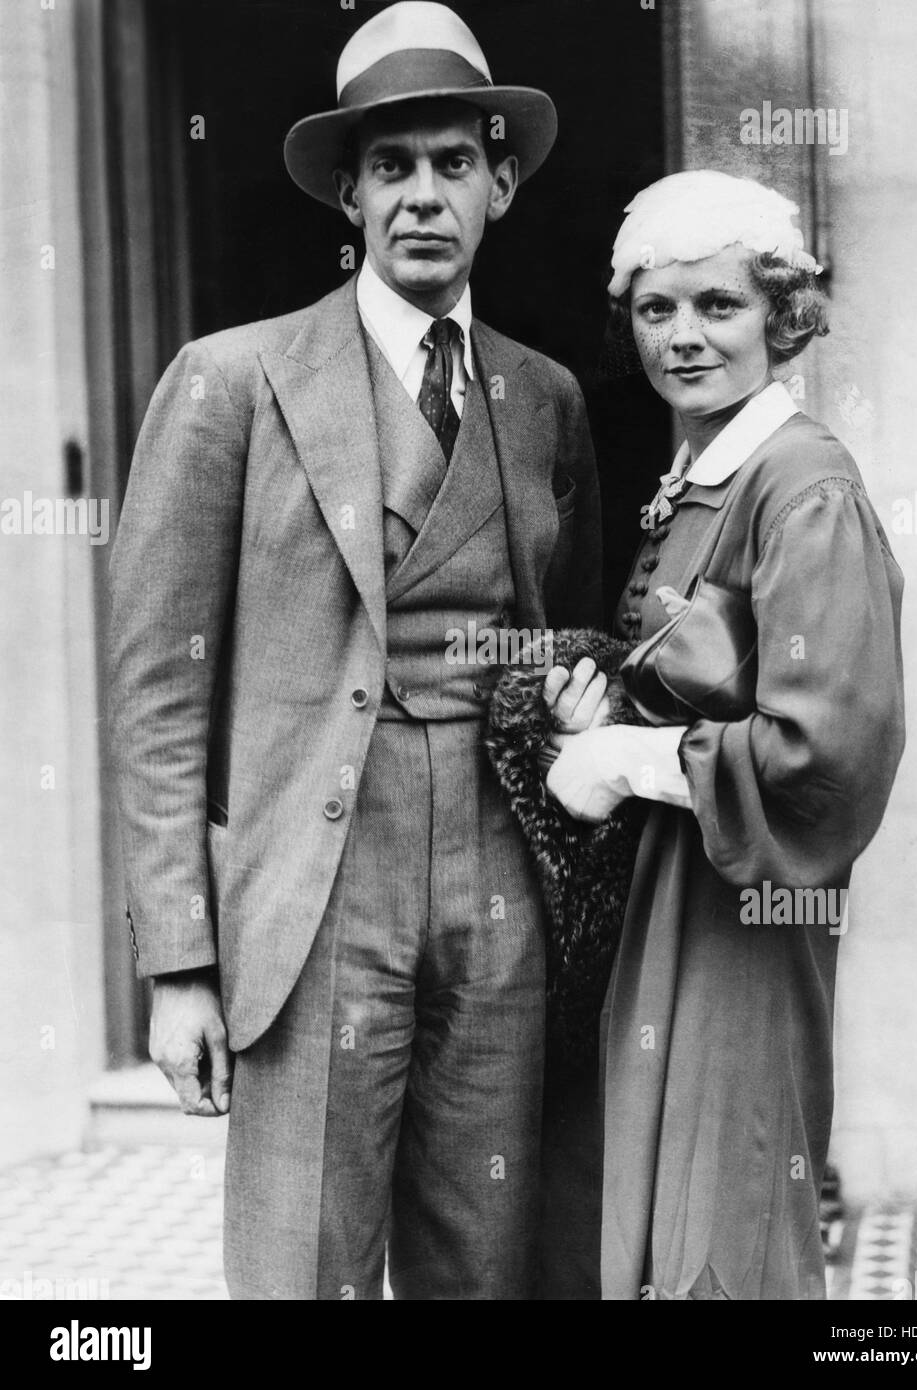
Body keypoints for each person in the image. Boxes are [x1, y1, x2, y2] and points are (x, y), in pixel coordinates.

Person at [108, 1, 601, 1300]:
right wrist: (178, 964)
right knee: (299, 1270)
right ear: (348, 190)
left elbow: (572, 638)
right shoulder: (232, 381)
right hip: (316, 887)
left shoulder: (542, 395)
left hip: (498, 890)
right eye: (391, 168)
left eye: (452, 164)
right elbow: (159, 690)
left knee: (482, 1266)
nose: (422, 198)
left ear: (500, 183)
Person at [542, 170, 905, 1299]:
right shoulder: (700, 477)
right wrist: (596, 709)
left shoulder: (802, 485)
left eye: (718, 306)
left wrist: (624, 760)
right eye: (656, 310)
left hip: (747, 900)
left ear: (779, 315)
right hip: (669, 889)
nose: (684, 338)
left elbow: (826, 752)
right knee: (650, 1209)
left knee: (727, 1212)